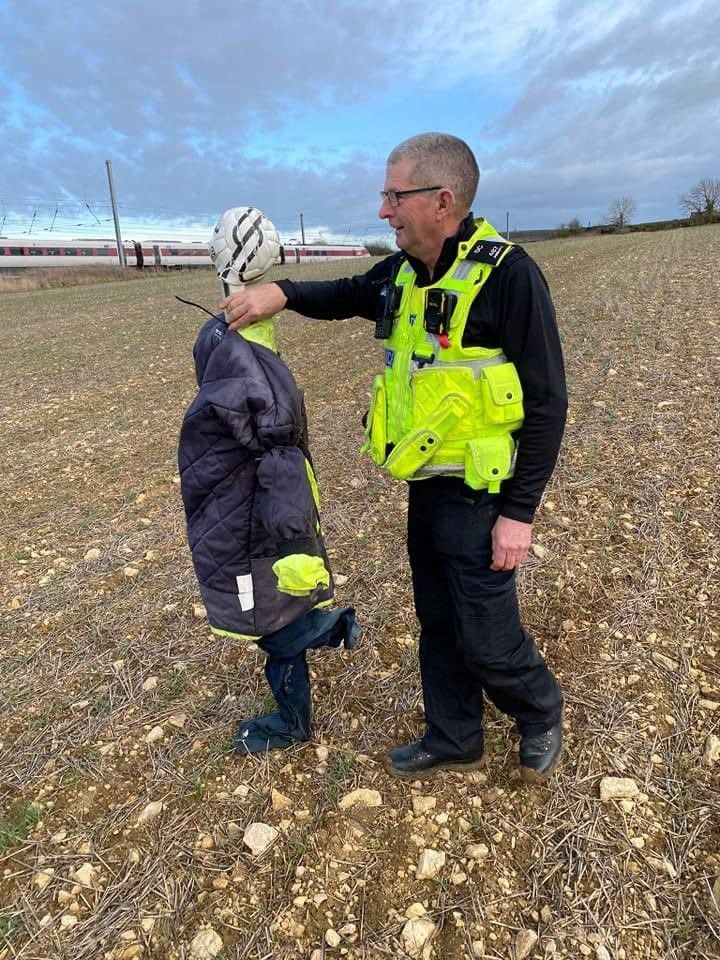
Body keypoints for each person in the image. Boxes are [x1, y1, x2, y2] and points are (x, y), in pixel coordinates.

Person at [222, 135, 567, 782]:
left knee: (487, 636)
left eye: (393, 195)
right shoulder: (402, 273)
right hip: (427, 487)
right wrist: (283, 293)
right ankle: (455, 736)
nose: (384, 210)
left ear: (443, 200)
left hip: (485, 495)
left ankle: (540, 709)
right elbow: (347, 293)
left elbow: (548, 403)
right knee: (438, 621)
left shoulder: (508, 276)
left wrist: (519, 514)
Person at [178, 208, 359, 754]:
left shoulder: (221, 339)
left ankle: (293, 719)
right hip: (234, 500)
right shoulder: (238, 345)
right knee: (266, 610)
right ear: (272, 259)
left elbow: (279, 463)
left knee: (271, 624)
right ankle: (321, 627)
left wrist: (296, 545)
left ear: (215, 256)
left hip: (242, 506)